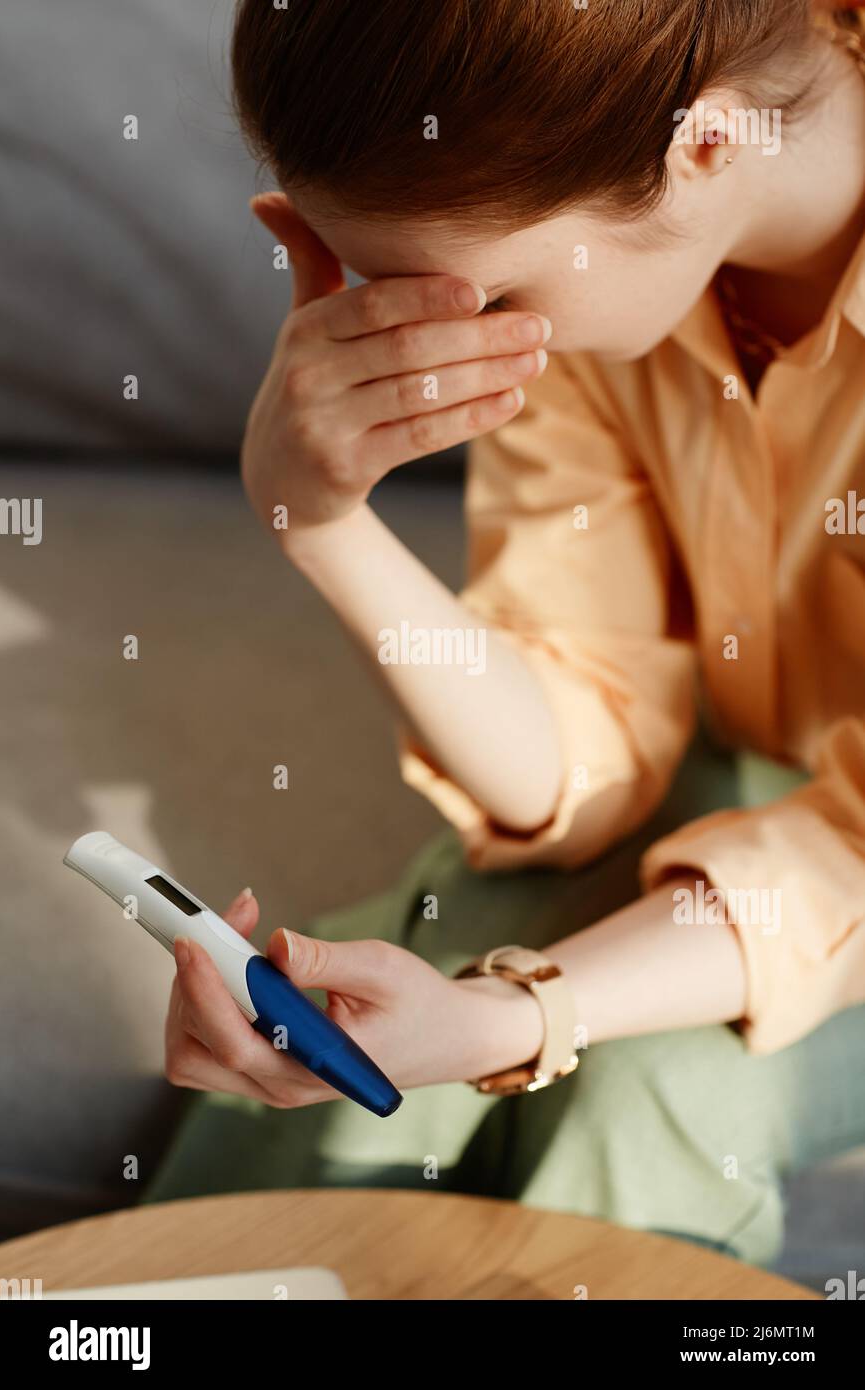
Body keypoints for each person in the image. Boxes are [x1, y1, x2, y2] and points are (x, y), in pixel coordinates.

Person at [145, 0, 865, 1266]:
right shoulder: (623, 257)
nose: (446, 329)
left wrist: (514, 1017)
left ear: (703, 146)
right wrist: (320, 523)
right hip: (750, 781)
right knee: (350, 1046)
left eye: (491, 289)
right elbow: (581, 758)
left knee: (651, 1101)